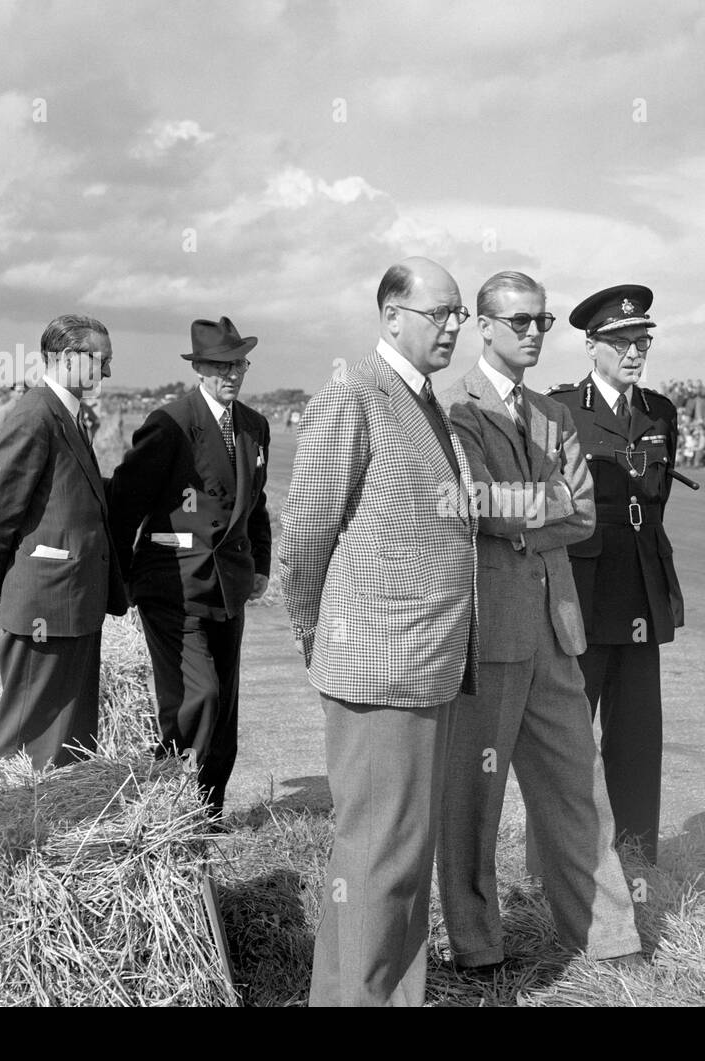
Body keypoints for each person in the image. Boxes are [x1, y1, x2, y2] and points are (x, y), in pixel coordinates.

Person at [278, 257, 479, 1007]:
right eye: (441, 312)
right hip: (377, 665)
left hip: (422, 662)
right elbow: (304, 539)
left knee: (396, 854)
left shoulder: (426, 402)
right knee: (374, 855)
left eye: (459, 312)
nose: (455, 325)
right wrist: (318, 634)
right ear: (392, 314)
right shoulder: (355, 396)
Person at [437, 271, 642, 975]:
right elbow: (468, 502)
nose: (533, 333)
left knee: (580, 790)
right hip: (488, 633)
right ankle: (476, 945)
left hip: (556, 630)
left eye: (542, 322)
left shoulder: (553, 415)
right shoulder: (453, 411)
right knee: (472, 803)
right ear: (484, 327)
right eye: (519, 321)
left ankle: (607, 936)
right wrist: (540, 507)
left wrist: (520, 518)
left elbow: (583, 515)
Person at [109, 317, 272, 815]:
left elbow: (256, 504)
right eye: (220, 365)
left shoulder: (254, 426)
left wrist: (260, 563)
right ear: (199, 367)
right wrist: (118, 581)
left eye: (238, 363)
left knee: (224, 711)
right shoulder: (170, 422)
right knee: (198, 697)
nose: (232, 373)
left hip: (229, 587)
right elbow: (124, 503)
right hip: (171, 583)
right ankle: (166, 801)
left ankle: (206, 815)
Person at [547, 285, 684, 864]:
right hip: (582, 594)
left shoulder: (660, 413)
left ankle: (635, 857)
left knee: (636, 737)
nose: (634, 352)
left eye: (642, 341)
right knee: (567, 742)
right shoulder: (559, 412)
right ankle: (561, 862)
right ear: (591, 347)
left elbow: (655, 507)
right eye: (621, 341)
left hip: (640, 591)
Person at [0, 315, 127, 768]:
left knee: (66, 737)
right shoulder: (35, 412)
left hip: (72, 599)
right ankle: (8, 823)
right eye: (101, 360)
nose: (107, 372)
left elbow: (72, 489)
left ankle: (57, 828)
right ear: (65, 358)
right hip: (46, 600)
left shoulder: (66, 412)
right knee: (26, 735)